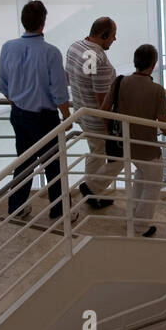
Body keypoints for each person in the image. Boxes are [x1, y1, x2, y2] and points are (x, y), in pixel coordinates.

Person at [0, 0, 78, 224]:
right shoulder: (51, 53)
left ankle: (17, 208)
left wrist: (16, 102)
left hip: (19, 114)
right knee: (54, 164)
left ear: (24, 22)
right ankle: (60, 211)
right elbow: (59, 91)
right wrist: (67, 117)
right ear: (43, 22)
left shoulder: (8, 47)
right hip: (44, 118)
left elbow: (2, 83)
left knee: (24, 161)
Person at [108, 43, 166, 236]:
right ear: (153, 65)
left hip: (127, 146)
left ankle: (133, 217)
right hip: (147, 148)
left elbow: (104, 109)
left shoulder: (120, 82)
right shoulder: (157, 90)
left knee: (140, 179)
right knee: (152, 185)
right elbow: (165, 126)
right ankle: (141, 225)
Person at [65, 15, 118, 210]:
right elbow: (102, 99)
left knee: (96, 153)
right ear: (103, 35)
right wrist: (111, 128)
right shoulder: (99, 58)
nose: (114, 39)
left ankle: (93, 192)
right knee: (115, 155)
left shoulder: (75, 47)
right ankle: (92, 189)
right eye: (113, 35)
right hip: (96, 120)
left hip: (81, 112)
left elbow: (69, 78)